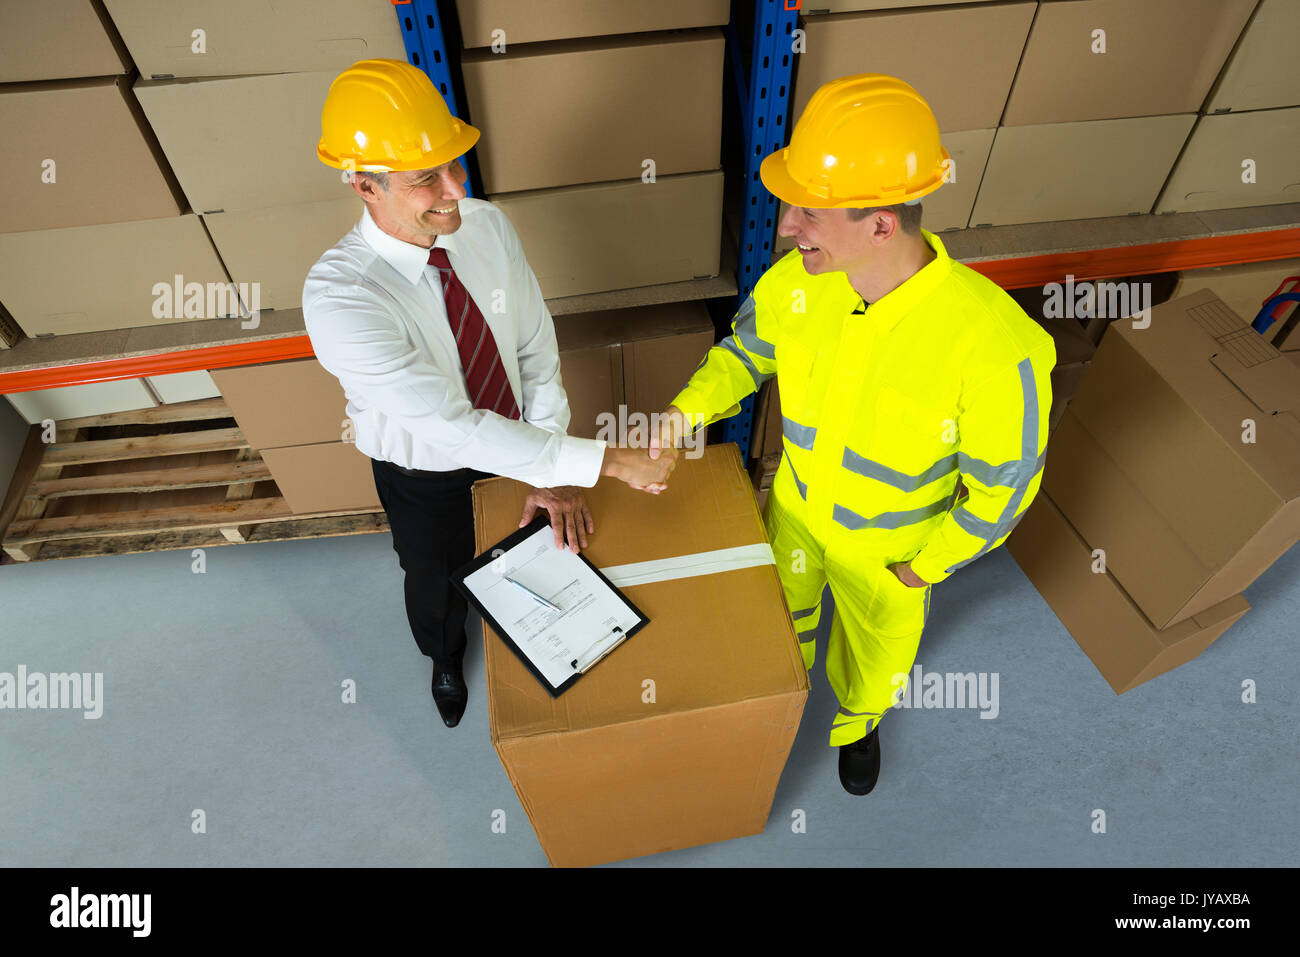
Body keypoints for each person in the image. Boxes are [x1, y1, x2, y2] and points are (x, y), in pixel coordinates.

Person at [650, 74, 1055, 795]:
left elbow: (1004, 489)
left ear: (880, 224)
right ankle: (780, 699)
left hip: (891, 556)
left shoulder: (996, 344)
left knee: (875, 661)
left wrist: (921, 570)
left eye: (810, 212)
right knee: (779, 626)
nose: (785, 227)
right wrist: (684, 413)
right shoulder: (799, 283)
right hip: (798, 517)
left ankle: (858, 725)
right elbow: (745, 353)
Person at [303, 59, 673, 729]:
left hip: (522, 434)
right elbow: (452, 426)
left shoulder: (485, 227)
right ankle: (444, 655)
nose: (455, 189)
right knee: (436, 578)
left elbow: (534, 346)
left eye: (454, 164)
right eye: (427, 179)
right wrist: (605, 461)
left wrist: (552, 464)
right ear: (365, 186)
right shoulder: (340, 299)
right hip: (428, 472)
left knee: (542, 550)